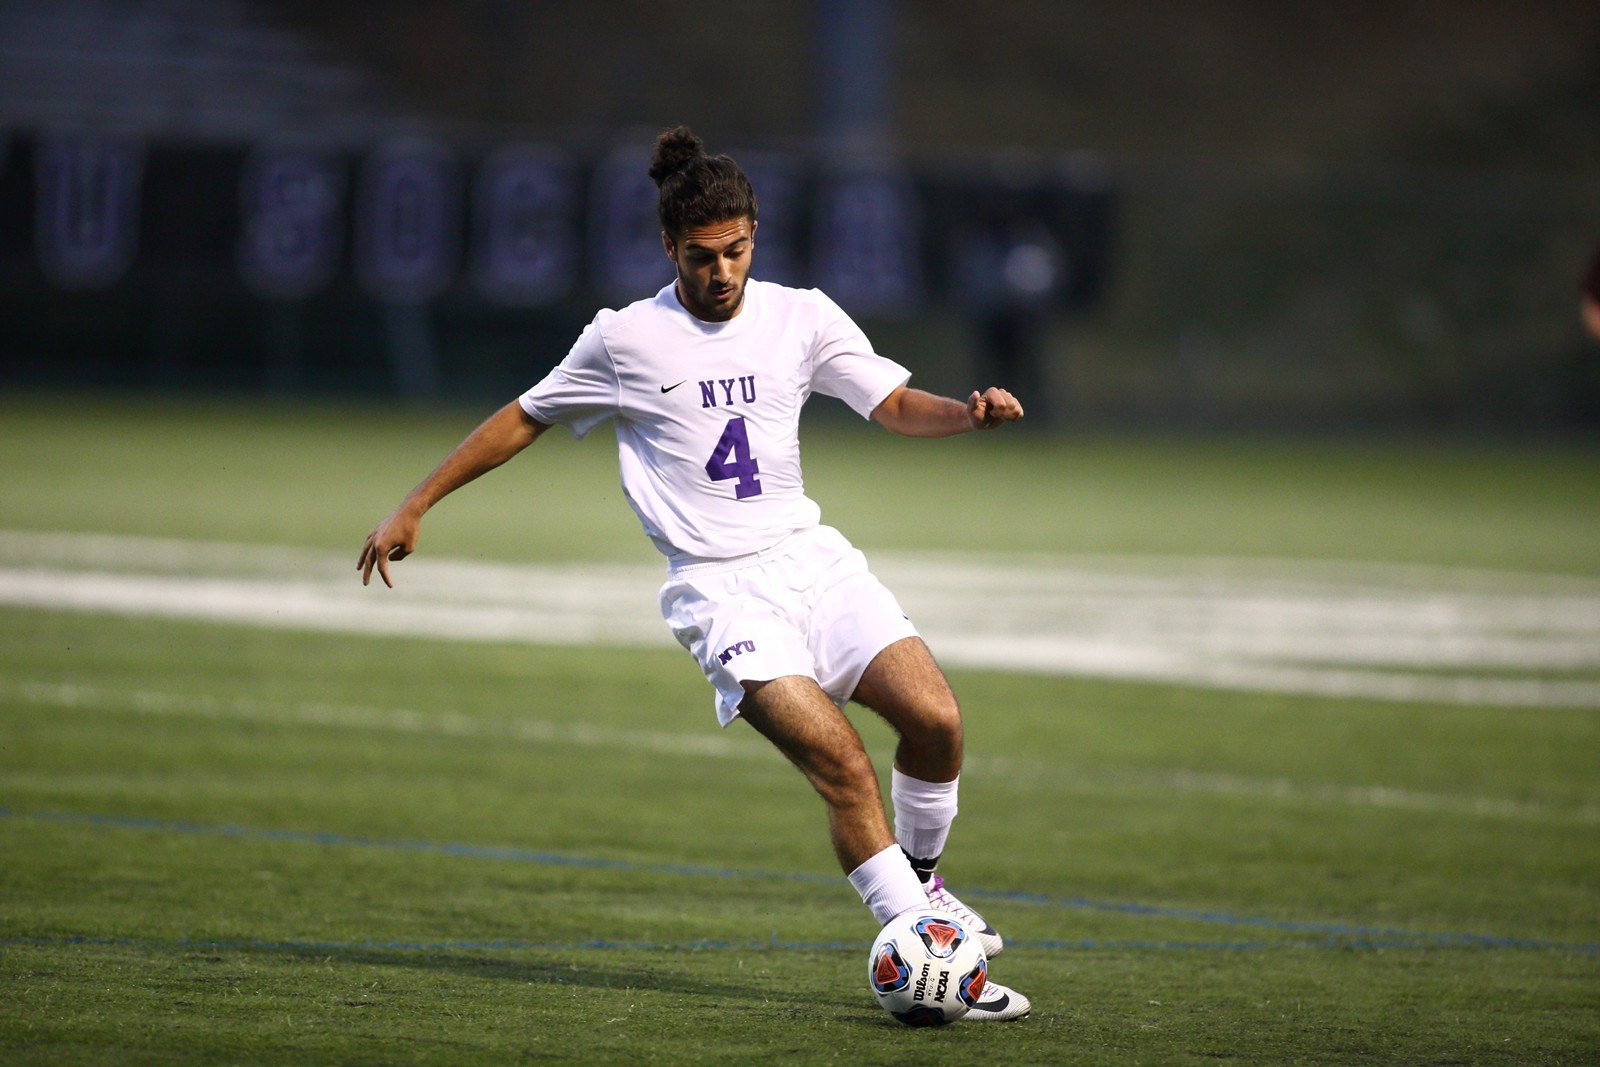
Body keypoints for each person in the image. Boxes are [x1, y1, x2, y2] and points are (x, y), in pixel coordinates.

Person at [358, 126, 1031, 1022]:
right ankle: (934, 959)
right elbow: (525, 416)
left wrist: (968, 413)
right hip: (719, 591)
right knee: (840, 762)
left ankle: (923, 891)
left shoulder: (804, 316)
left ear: (755, 233)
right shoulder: (625, 341)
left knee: (937, 719)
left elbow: (893, 403)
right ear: (669, 248)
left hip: (812, 561)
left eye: (737, 249)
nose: (722, 271)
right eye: (704, 255)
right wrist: (417, 501)